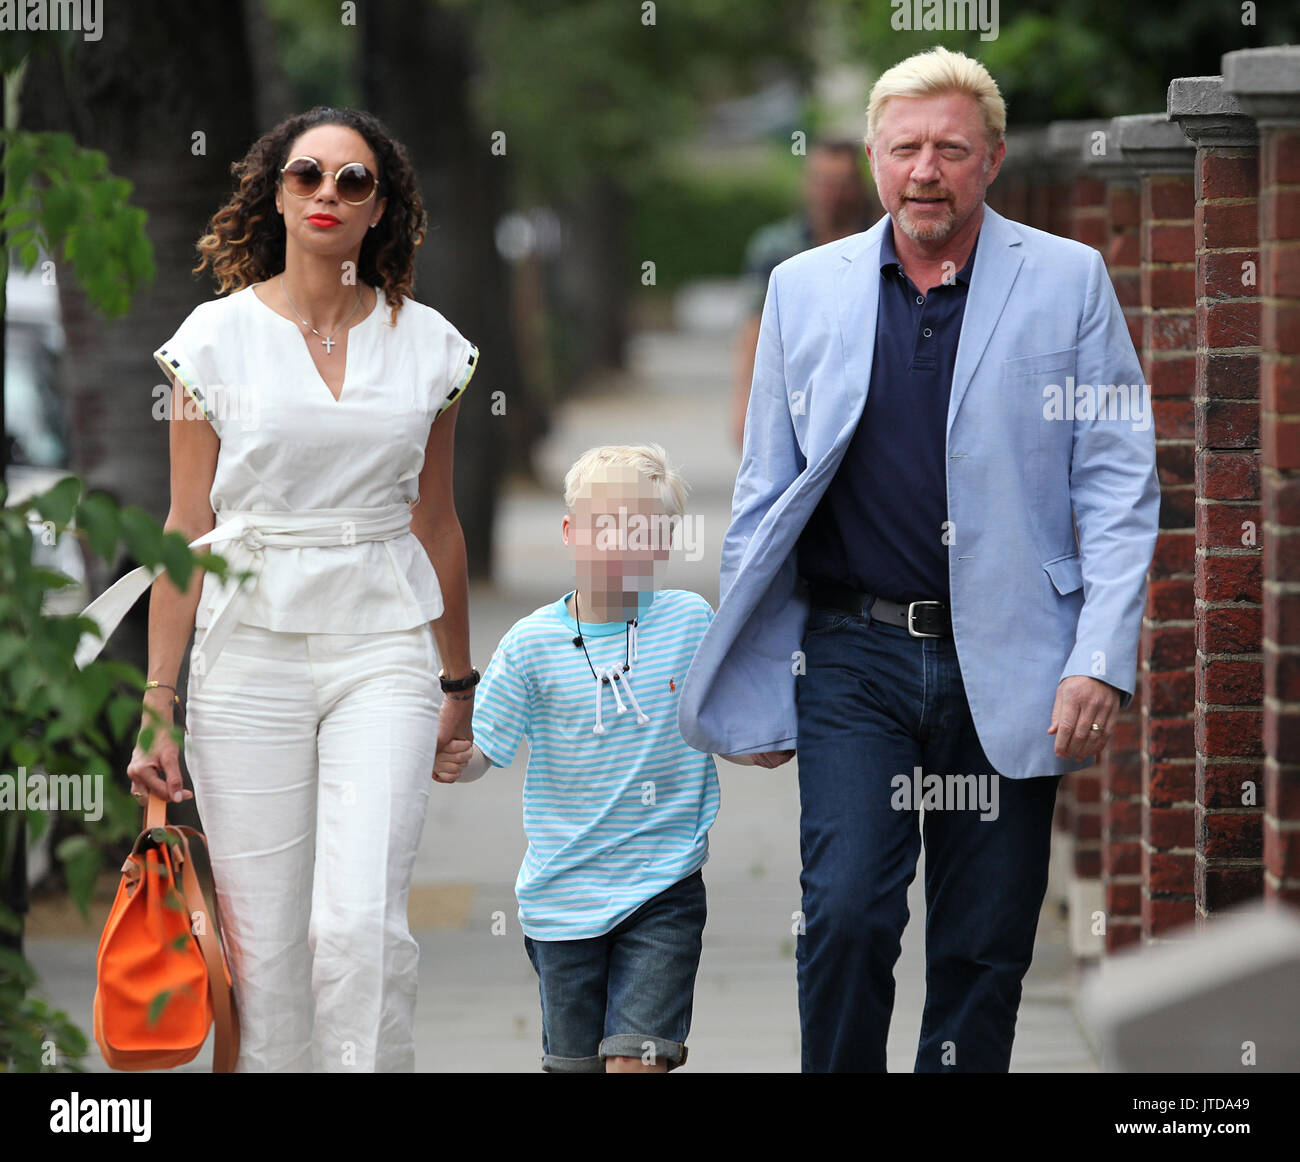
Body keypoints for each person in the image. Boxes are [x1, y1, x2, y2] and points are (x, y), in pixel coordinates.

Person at [677, 47, 1160, 1072]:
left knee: (983, 945)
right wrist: (758, 673)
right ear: (873, 160)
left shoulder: (1067, 281)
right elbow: (766, 492)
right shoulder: (805, 288)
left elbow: (1116, 482)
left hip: (1019, 657)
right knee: (846, 912)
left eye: (949, 148)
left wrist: (1100, 654)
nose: (924, 171)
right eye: (904, 149)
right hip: (854, 657)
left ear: (989, 158)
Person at [75, 107, 481, 1072]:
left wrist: (457, 689)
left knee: (360, 927)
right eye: (308, 175)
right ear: (277, 193)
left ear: (383, 208)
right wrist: (157, 706)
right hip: (245, 650)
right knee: (265, 950)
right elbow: (184, 531)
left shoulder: (431, 347)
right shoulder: (210, 341)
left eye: (354, 181)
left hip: (380, 645)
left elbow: (438, 523)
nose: (329, 195)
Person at [436, 444, 745, 1073]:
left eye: (641, 528)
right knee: (575, 1064)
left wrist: (766, 742)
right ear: (572, 532)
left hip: (664, 886)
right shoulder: (531, 646)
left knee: (636, 1062)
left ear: (663, 543)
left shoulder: (690, 622)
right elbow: (482, 751)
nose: (620, 541)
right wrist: (449, 757)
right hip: (562, 900)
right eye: (605, 524)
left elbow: (727, 718)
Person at [731, 138, 878, 449]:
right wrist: (744, 403)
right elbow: (755, 327)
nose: (831, 193)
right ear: (807, 184)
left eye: (840, 183)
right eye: (822, 181)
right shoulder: (775, 246)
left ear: (858, 186)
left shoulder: (883, 244)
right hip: (796, 390)